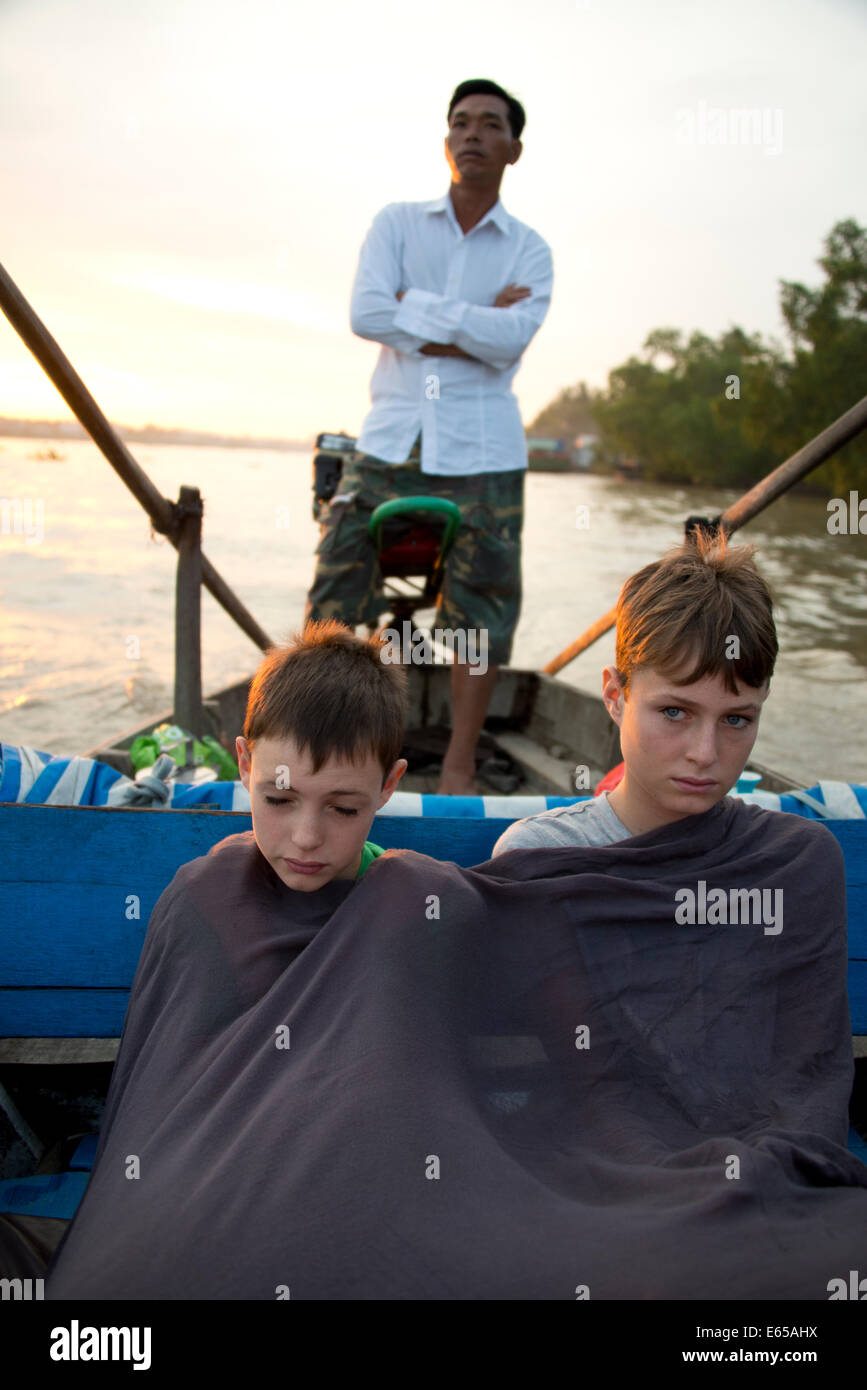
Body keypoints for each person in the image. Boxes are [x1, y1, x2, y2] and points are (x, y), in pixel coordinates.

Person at [306, 77, 554, 796]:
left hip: (486, 448)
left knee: (483, 603)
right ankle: (329, 744)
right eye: (459, 123)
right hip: (391, 437)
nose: (472, 133)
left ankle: (456, 763)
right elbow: (365, 313)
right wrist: (469, 320)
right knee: (337, 575)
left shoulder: (530, 251)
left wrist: (417, 310)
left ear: (513, 148)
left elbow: (510, 342)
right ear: (446, 141)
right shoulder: (395, 224)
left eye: (488, 124)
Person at [492, 531, 780, 855]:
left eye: (736, 719)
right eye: (674, 712)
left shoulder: (789, 855)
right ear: (615, 697)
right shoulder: (543, 855)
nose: (704, 755)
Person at [235, 621, 408, 890]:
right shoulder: (199, 896)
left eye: (344, 809)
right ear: (245, 765)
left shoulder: (407, 906)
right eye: (278, 800)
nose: (306, 839)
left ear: (388, 785)